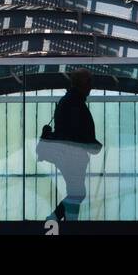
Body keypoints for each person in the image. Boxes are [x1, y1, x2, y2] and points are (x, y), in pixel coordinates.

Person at [47, 69, 102, 222]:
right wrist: (89, 143)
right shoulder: (75, 103)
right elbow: (76, 131)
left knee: (76, 191)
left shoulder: (69, 100)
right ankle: (67, 222)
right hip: (73, 154)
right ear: (82, 83)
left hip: (70, 153)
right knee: (77, 192)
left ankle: (59, 218)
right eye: (88, 82)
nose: (91, 87)